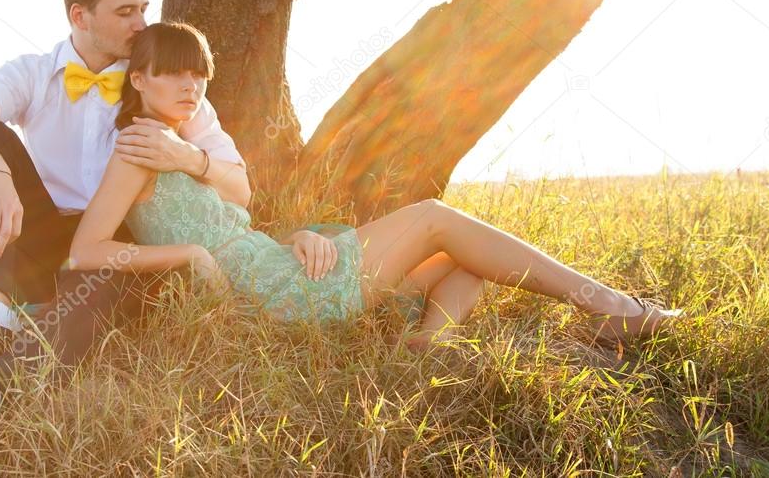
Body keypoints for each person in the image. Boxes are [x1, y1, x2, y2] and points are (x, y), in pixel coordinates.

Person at [69, 22, 684, 352]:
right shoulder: (137, 150)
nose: (189, 86)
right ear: (140, 80)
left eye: (197, 74)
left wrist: (300, 234)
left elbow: (234, 219)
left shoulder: (185, 145)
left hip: (276, 263)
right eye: (172, 74)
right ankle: (608, 305)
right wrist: (187, 255)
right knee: (437, 218)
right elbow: (86, 251)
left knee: (469, 260)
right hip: (271, 297)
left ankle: (425, 345)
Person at [0, 0, 251, 422]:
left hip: (113, 242)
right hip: (35, 234)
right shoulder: (35, 72)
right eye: (125, 12)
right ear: (80, 15)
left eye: (143, 9)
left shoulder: (161, 82)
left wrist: (190, 157)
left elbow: (241, 190)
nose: (141, 24)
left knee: (93, 291)